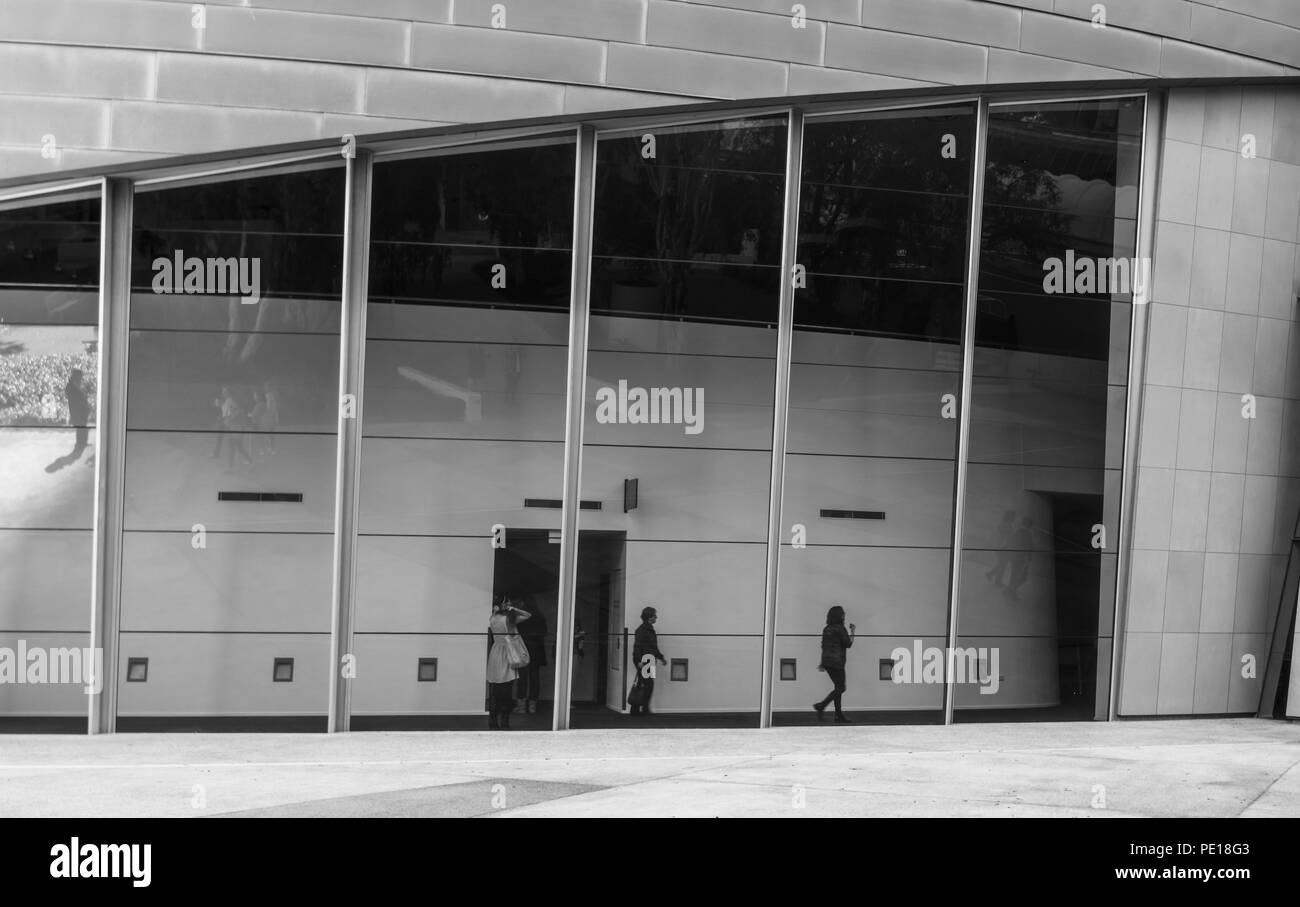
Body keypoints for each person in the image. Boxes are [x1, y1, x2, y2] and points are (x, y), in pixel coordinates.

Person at [486, 595, 530, 730]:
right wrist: (514, 609)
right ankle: (504, 722)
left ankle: (492, 721)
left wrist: (497, 609)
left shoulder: (493, 618)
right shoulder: (509, 619)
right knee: (506, 691)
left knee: (495, 691)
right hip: (508, 652)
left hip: (495, 652)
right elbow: (528, 615)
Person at [813, 606, 855, 723]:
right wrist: (853, 631)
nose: (844, 616)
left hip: (827, 662)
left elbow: (824, 646)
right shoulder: (841, 629)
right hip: (837, 663)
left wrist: (822, 662)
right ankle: (821, 705)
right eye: (842, 614)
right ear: (839, 616)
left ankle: (838, 715)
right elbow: (848, 644)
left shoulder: (827, 629)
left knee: (838, 688)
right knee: (841, 688)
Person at [629, 606, 667, 716]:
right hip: (646, 659)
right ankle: (643, 708)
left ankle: (636, 709)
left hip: (647, 659)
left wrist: (660, 657)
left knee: (643, 683)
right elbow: (639, 646)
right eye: (655, 615)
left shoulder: (646, 629)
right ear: (650, 617)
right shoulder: (644, 630)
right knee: (647, 684)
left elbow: (652, 647)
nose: (656, 617)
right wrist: (639, 660)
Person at [514, 597, 548, 714]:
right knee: (535, 678)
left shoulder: (523, 619)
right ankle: (532, 706)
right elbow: (544, 633)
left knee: (522, 678)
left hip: (524, 650)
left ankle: (521, 706)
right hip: (537, 651)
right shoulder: (540, 618)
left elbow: (516, 633)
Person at [64, 368, 89, 457]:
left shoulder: (79, 384)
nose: (81, 378)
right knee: (80, 426)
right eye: (80, 376)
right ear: (76, 376)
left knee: (83, 425)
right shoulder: (70, 385)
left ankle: (83, 442)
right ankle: (79, 444)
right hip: (76, 409)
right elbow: (68, 394)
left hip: (83, 409)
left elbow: (84, 394)